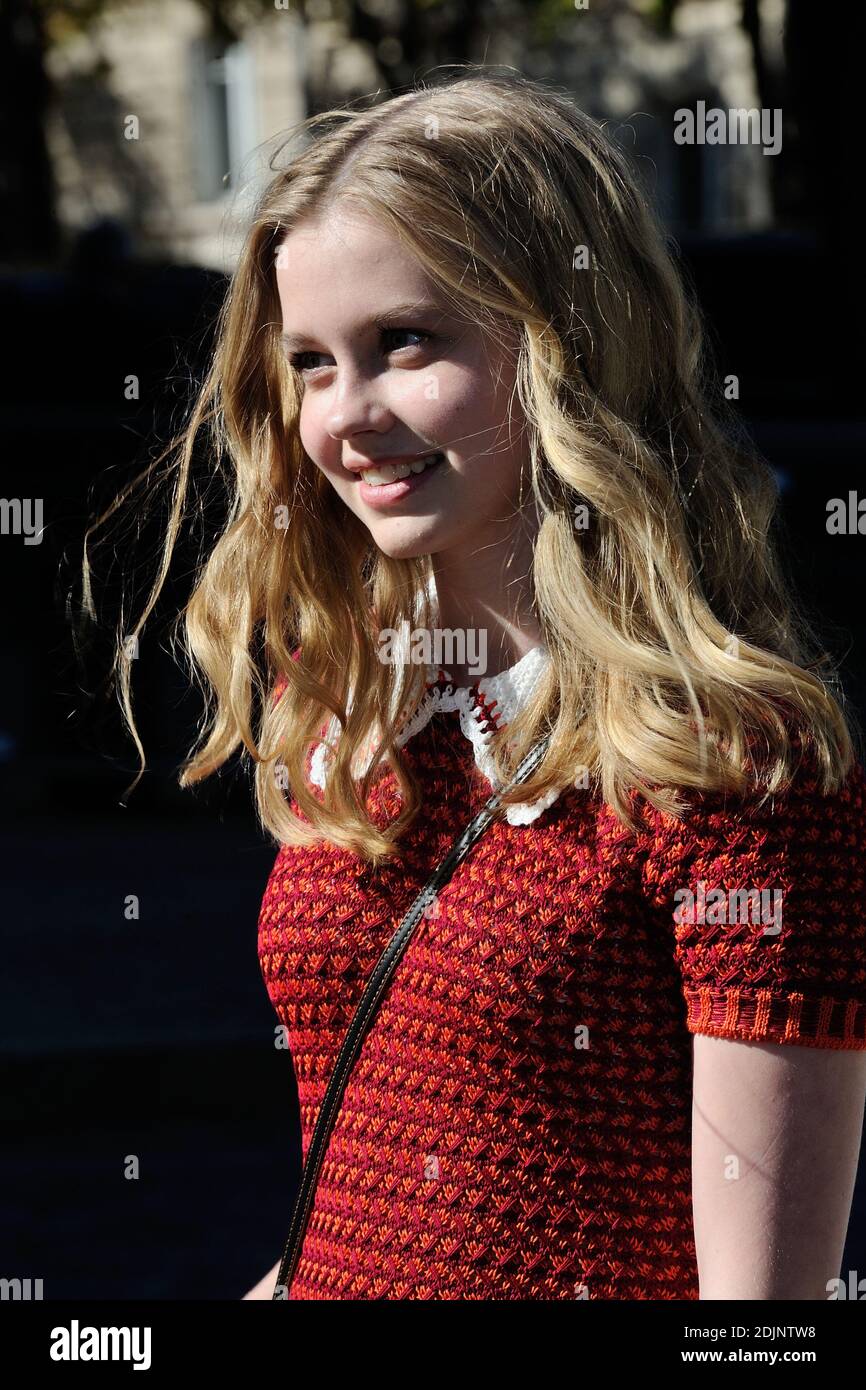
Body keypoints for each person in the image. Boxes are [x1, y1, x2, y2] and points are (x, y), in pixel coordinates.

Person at [85, 70, 866, 1300]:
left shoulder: (728, 764)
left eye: (404, 342)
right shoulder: (347, 710)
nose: (346, 418)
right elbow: (353, 1186)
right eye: (308, 362)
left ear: (561, 335)